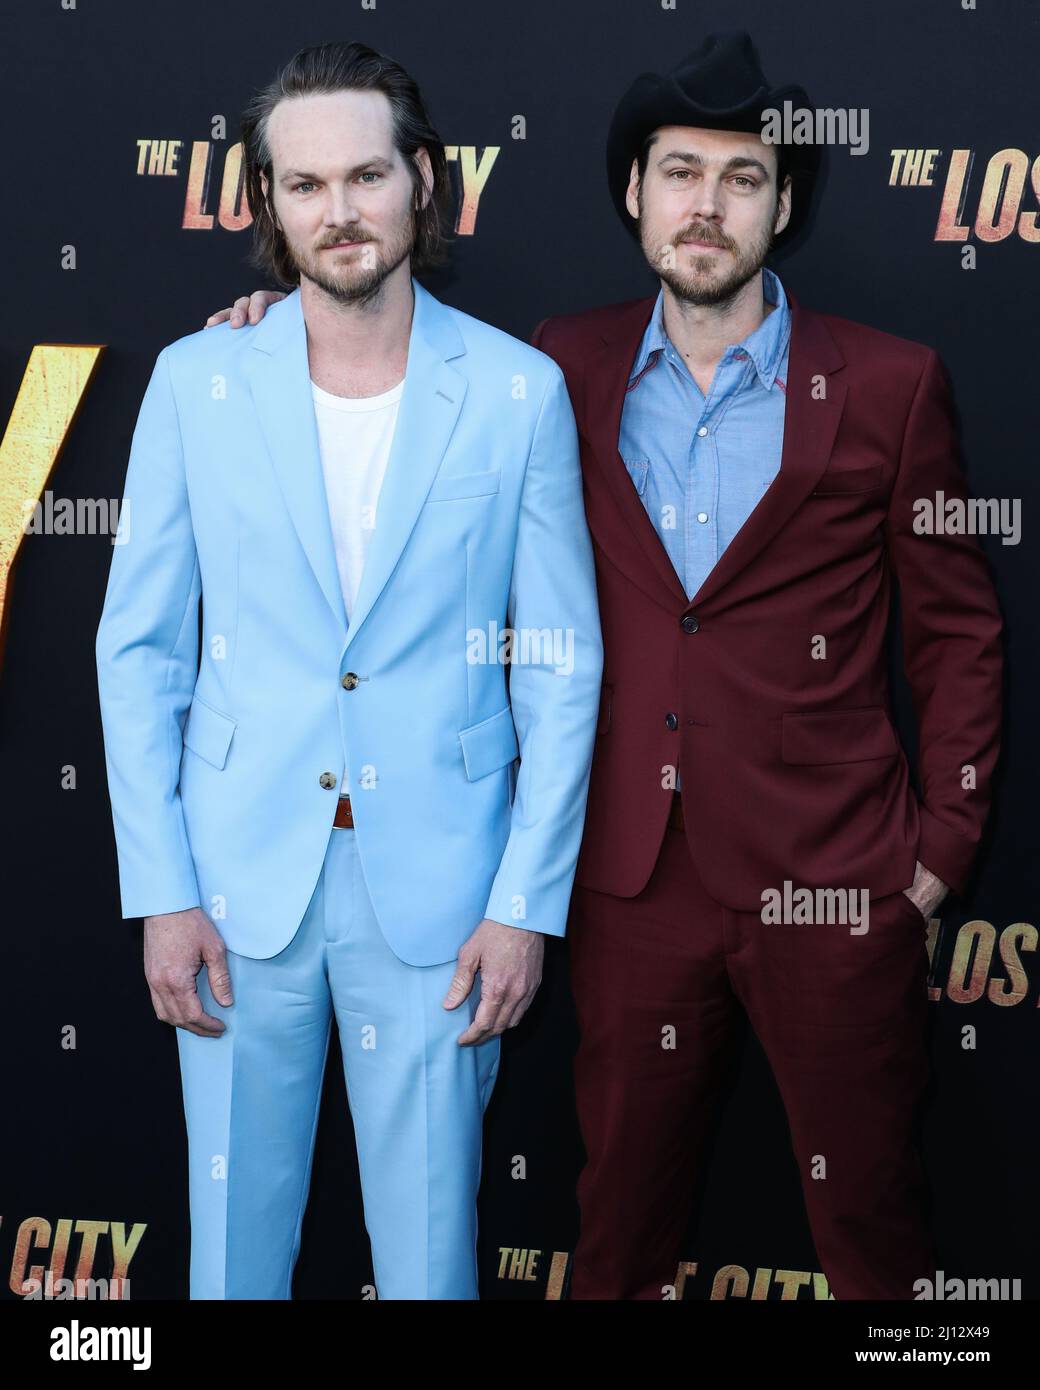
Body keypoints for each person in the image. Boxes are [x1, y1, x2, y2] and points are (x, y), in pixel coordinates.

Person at [207, 31, 1003, 1301]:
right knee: (616, 1230)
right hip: (626, 886)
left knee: (874, 1234)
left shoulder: (889, 387)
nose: (706, 204)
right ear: (633, 193)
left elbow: (956, 633)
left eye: (741, 178)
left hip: (834, 882)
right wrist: (263, 332)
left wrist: (937, 855)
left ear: (781, 205)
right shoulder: (549, 373)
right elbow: (377, 366)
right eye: (678, 172)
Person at [95, 40, 602, 1301]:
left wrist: (523, 903)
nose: (339, 210)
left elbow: (559, 665)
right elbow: (139, 650)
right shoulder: (195, 383)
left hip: (442, 897)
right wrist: (162, 890)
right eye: (305, 183)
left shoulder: (517, 393)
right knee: (230, 1262)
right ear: (268, 203)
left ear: (421, 181)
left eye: (366, 176)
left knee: (430, 1261)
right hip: (232, 889)